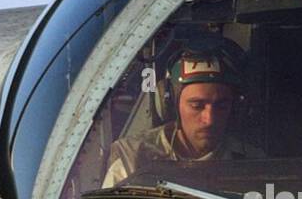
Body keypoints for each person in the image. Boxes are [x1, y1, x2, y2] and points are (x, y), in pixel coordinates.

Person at [101, 36, 263, 189]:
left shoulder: (253, 163)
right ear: (170, 104)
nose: (209, 119)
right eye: (197, 106)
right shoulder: (132, 160)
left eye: (221, 106)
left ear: (236, 108)